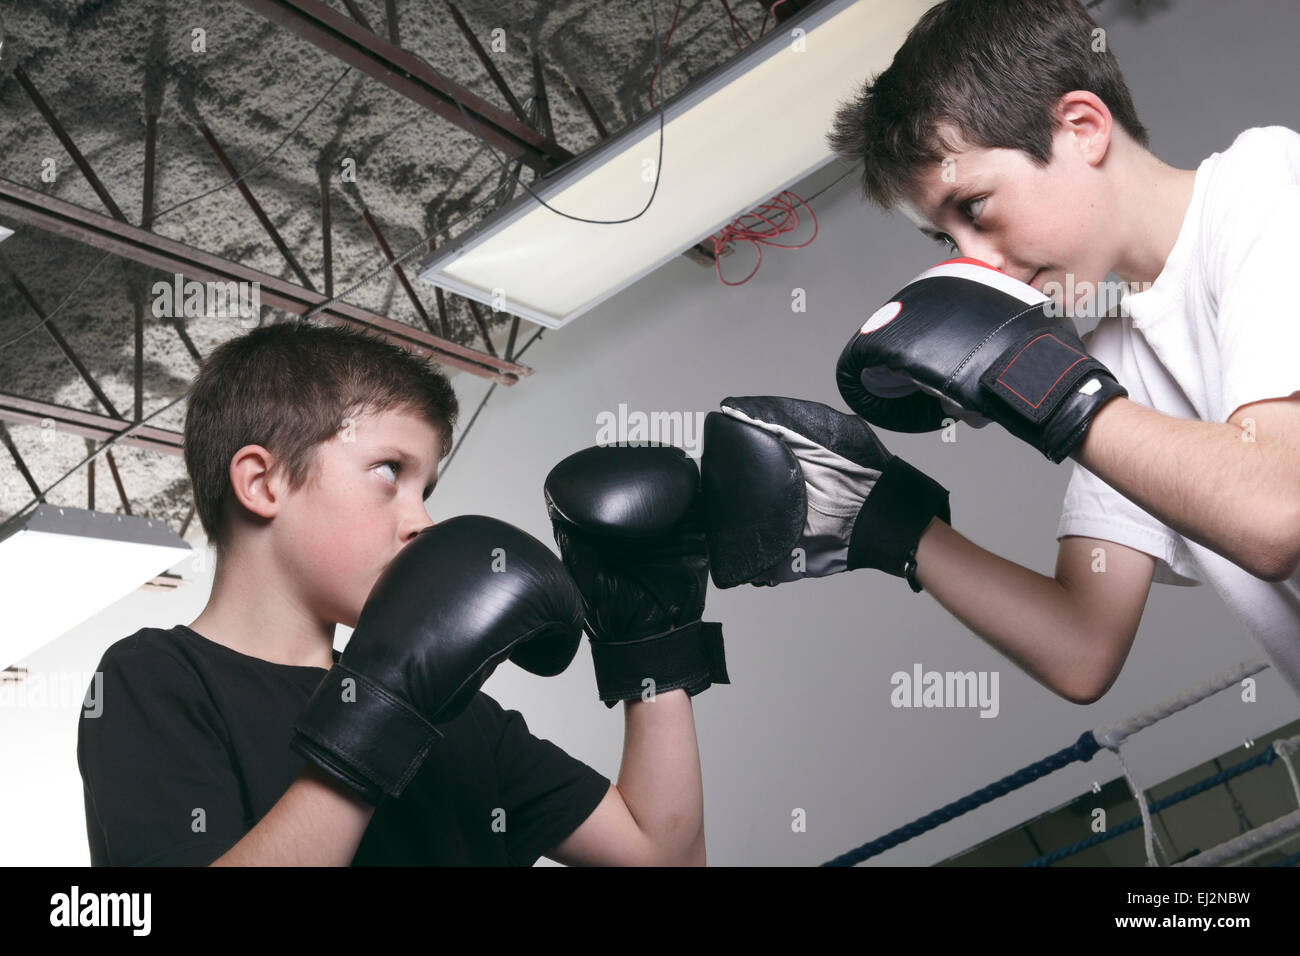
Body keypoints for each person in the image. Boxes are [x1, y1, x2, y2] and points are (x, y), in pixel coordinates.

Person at [704, 0, 1300, 703]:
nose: (976, 265)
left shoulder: (1265, 186)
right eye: (947, 243)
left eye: (976, 209)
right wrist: (891, 522)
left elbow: (1275, 513)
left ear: (1082, 127)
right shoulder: (1116, 365)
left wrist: (1052, 390)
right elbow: (1081, 647)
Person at [77, 321, 724, 866]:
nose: (422, 521)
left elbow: (663, 856)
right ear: (263, 481)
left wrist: (650, 648)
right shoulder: (154, 680)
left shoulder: (456, 713)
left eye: (427, 491)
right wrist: (379, 719)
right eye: (390, 471)